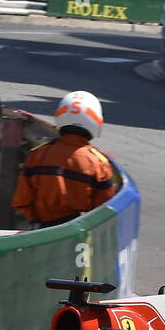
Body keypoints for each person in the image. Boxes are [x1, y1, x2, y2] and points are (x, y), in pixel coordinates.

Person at [12, 90, 114, 228]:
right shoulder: (99, 163)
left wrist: (42, 220)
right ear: (95, 120)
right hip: (79, 235)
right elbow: (104, 213)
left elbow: (22, 201)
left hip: (43, 232)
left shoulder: (39, 154)